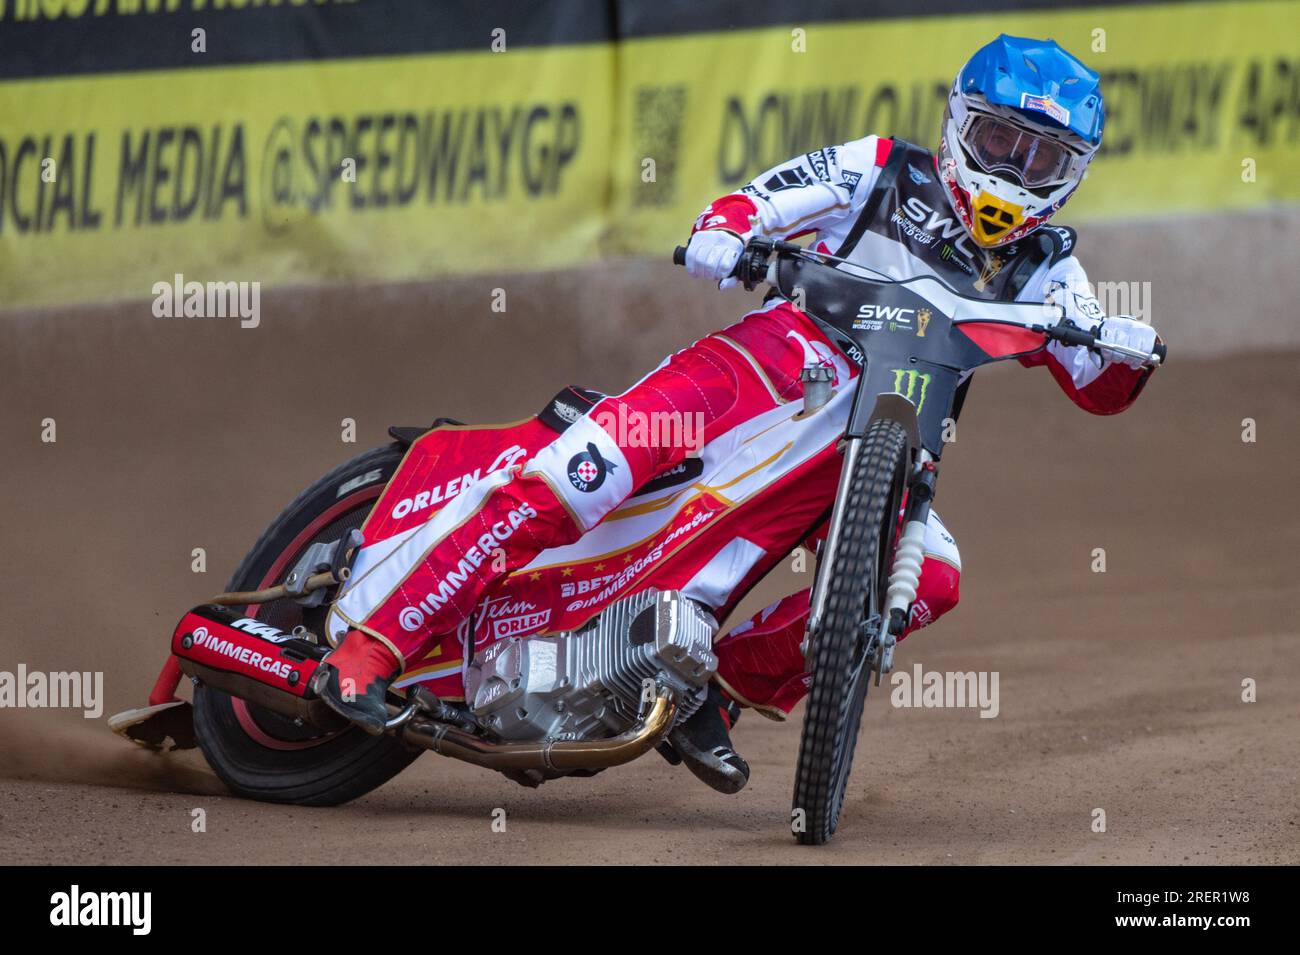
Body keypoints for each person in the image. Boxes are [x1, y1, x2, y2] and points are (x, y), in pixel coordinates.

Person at [315, 35, 1161, 794]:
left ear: (1073, 171)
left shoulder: (1052, 270)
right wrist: (727, 229)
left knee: (933, 577)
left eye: (1043, 157)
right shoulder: (880, 167)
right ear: (956, 124)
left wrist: (1123, 350)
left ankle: (710, 684)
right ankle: (372, 645)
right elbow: (762, 199)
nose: (1014, 170)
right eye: (1000, 140)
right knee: (585, 474)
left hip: (886, 438)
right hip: (766, 363)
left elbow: (1097, 386)